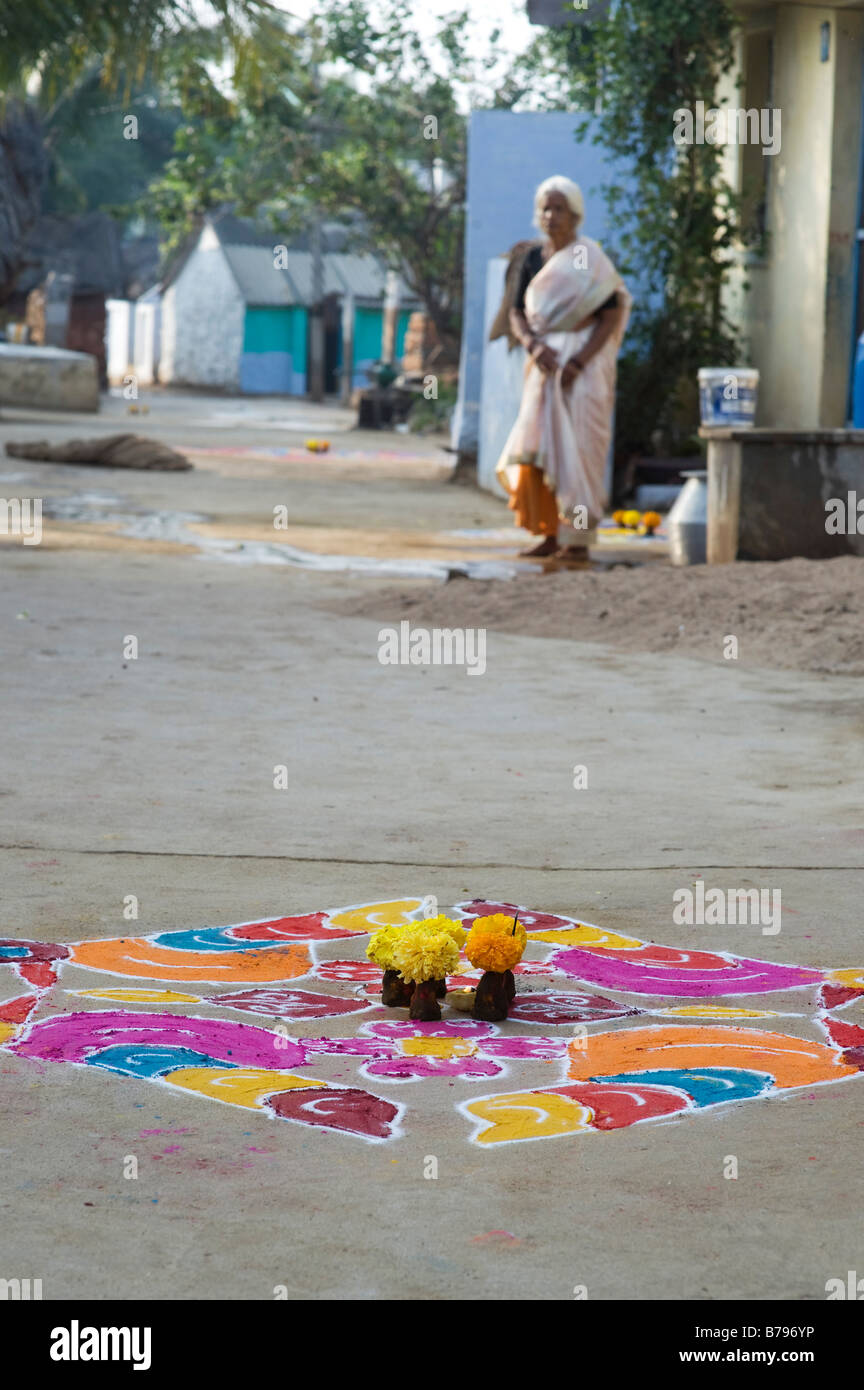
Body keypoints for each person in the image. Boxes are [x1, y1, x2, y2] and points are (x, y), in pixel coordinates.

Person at [491, 176, 631, 561]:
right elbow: (516, 312)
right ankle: (550, 534)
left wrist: (580, 361)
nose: (551, 216)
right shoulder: (532, 258)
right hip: (543, 367)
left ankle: (578, 543)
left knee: (580, 452)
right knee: (539, 449)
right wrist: (534, 346)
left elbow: (611, 312)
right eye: (545, 208)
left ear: (576, 214)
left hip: (582, 372)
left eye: (559, 209)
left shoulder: (587, 257)